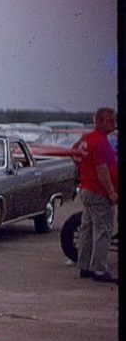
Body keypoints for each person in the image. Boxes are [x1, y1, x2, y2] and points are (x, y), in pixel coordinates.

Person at [74, 107, 118, 283]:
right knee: (102, 231)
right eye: (111, 120)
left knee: (87, 229)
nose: (114, 124)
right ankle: (99, 269)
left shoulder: (87, 139)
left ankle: (84, 265)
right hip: (98, 192)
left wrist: (83, 172)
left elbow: (75, 154)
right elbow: (102, 169)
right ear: (100, 121)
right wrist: (111, 191)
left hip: (87, 189)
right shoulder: (100, 142)